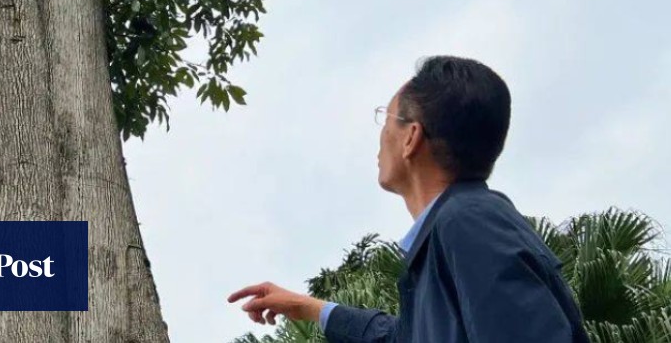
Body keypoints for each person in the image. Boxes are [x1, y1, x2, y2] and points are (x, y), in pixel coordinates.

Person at [227, 55, 589, 342]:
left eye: (385, 121)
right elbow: (402, 336)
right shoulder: (455, 232)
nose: (380, 137)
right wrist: (308, 307)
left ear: (411, 137)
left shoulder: (468, 222)